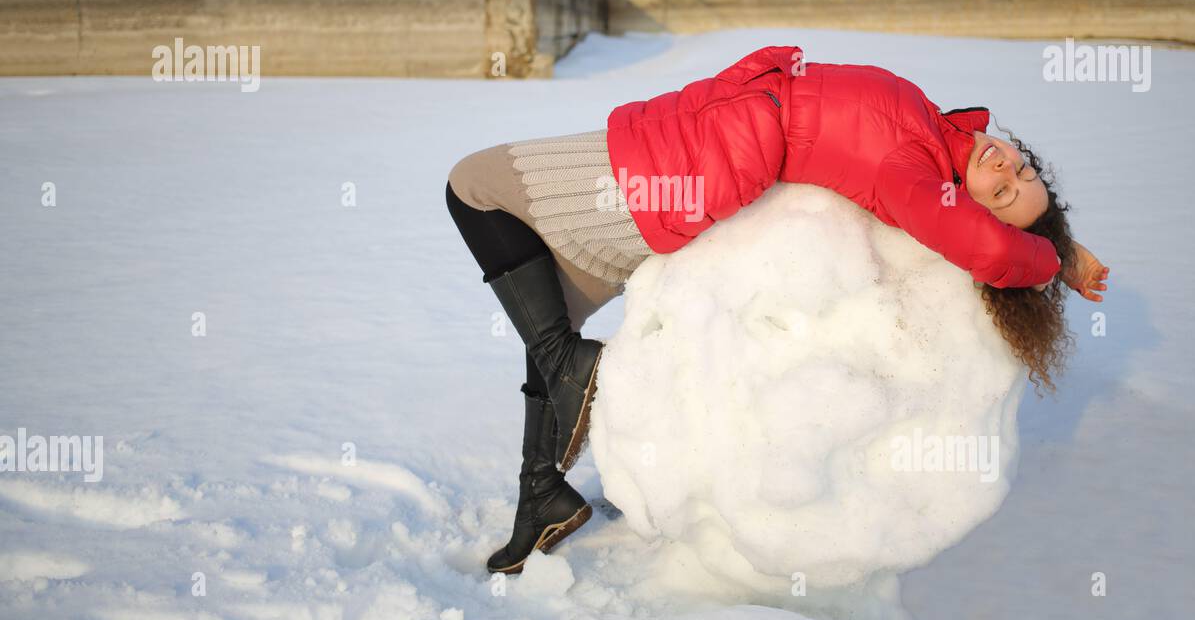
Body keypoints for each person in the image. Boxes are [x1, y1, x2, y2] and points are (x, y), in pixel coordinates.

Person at [445, 45, 1109, 574]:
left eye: (1002, 192)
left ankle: (569, 368)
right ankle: (543, 495)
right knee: (547, 319)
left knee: (472, 185)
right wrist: (1063, 244)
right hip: (693, 139)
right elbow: (999, 228)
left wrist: (1049, 261)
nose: (1007, 170)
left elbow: (985, 246)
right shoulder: (934, 130)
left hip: (674, 166)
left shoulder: (913, 174)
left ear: (972, 207)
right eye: (1023, 172)